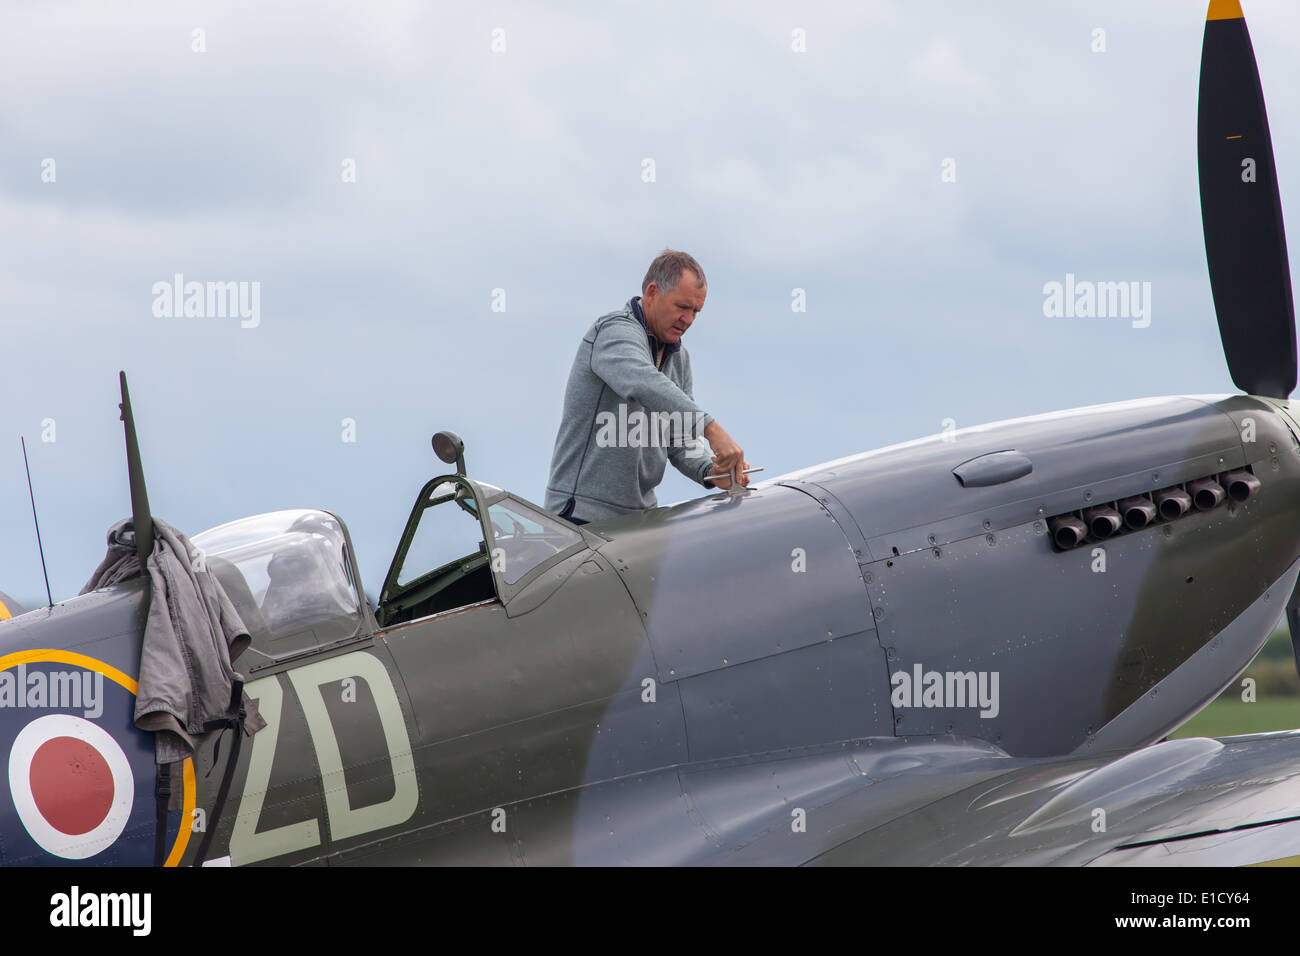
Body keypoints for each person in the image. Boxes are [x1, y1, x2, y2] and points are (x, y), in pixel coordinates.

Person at [545, 249, 748, 525]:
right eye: (682, 307)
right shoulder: (612, 332)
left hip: (641, 524)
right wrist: (711, 429)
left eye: (695, 311)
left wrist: (711, 471)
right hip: (579, 519)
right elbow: (643, 383)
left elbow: (679, 436)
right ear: (652, 293)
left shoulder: (679, 357)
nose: (688, 320)